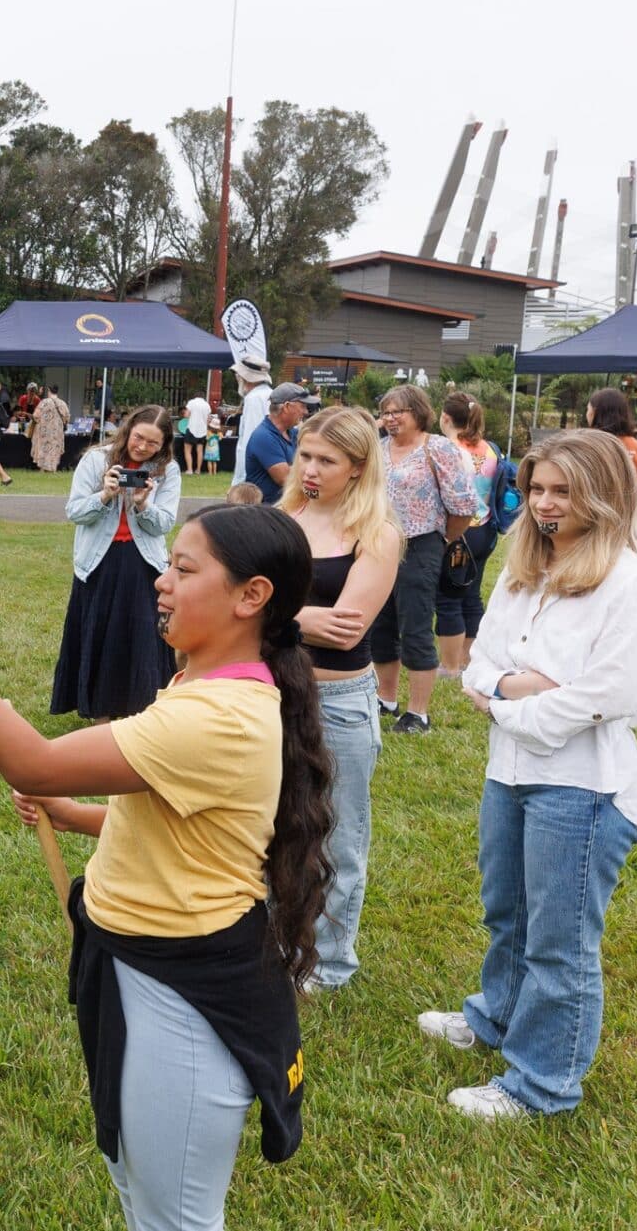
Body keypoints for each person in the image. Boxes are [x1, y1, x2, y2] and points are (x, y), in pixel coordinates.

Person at [0, 504, 333, 1231]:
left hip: (184, 989)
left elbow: (31, 758)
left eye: (184, 569)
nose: (161, 583)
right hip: (136, 966)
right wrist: (76, 814)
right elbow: (192, 824)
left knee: (174, 1218)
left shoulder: (220, 714)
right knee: (138, 1186)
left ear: (251, 595)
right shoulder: (200, 684)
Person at [422, 430, 637, 1119]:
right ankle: (494, 1016)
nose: (545, 503)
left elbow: (606, 695)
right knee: (508, 914)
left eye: (563, 490)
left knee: (560, 944)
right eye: (537, 489)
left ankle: (541, 1083)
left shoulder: (625, 580)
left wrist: (510, 707)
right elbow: (476, 663)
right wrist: (516, 687)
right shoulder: (521, 568)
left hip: (585, 788)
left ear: (601, 493)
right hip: (512, 774)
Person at [277, 407, 402, 990]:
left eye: (327, 460)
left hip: (339, 702)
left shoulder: (377, 534)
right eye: (305, 455)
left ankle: (329, 964)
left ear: (357, 468)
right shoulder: (280, 520)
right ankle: (275, 944)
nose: (311, 468)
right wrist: (300, 620)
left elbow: (346, 629)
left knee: (336, 834)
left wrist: (265, 617)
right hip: (270, 690)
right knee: (269, 823)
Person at [53, 406, 181, 722]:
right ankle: (101, 716)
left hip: (143, 564)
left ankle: (142, 714)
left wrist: (142, 504)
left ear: (164, 444)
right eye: (139, 437)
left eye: (153, 443)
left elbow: (164, 523)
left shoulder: (167, 470)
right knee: (99, 636)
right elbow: (75, 512)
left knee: (141, 640)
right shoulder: (96, 460)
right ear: (128, 429)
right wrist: (105, 495)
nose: (143, 447)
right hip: (99, 563)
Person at [372, 384, 476, 733]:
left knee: (415, 625)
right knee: (381, 625)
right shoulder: (379, 448)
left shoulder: (438, 448)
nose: (389, 418)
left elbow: (463, 505)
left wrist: (443, 539)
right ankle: (385, 698)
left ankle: (419, 712)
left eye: (397, 411)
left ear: (418, 412)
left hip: (421, 544)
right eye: (385, 412)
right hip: (379, 544)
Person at [436, 392, 502, 677]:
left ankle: (449, 666)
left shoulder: (445, 449)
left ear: (446, 417)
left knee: (448, 598)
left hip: (456, 533)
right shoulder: (491, 449)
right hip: (484, 530)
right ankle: (467, 660)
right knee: (472, 597)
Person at [243, 383, 318, 503]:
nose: (305, 412)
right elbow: (286, 478)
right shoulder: (264, 436)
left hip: (284, 510)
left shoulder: (293, 433)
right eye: (302, 406)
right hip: (267, 514)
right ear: (287, 406)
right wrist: (318, 493)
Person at [587, 387, 637, 501]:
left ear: (594, 412)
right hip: (625, 513)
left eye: (587, 409)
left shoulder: (586, 444)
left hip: (592, 510)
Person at [228, 358, 273, 487]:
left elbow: (250, 438)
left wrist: (239, 481)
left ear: (244, 378)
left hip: (253, 472)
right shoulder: (270, 393)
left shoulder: (253, 399)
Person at [32, 384, 70, 472]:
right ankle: (53, 469)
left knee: (44, 449)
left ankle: (42, 469)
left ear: (49, 390)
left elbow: (35, 416)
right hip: (57, 433)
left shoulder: (44, 402)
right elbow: (67, 418)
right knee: (55, 449)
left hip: (44, 432)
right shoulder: (62, 403)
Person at [182, 389, 212, 475]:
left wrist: (185, 414)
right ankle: (198, 470)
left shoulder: (191, 402)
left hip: (192, 428)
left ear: (195, 396)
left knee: (187, 450)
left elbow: (187, 415)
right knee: (200, 451)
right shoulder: (207, 405)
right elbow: (209, 419)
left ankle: (190, 470)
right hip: (202, 430)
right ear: (203, 397)